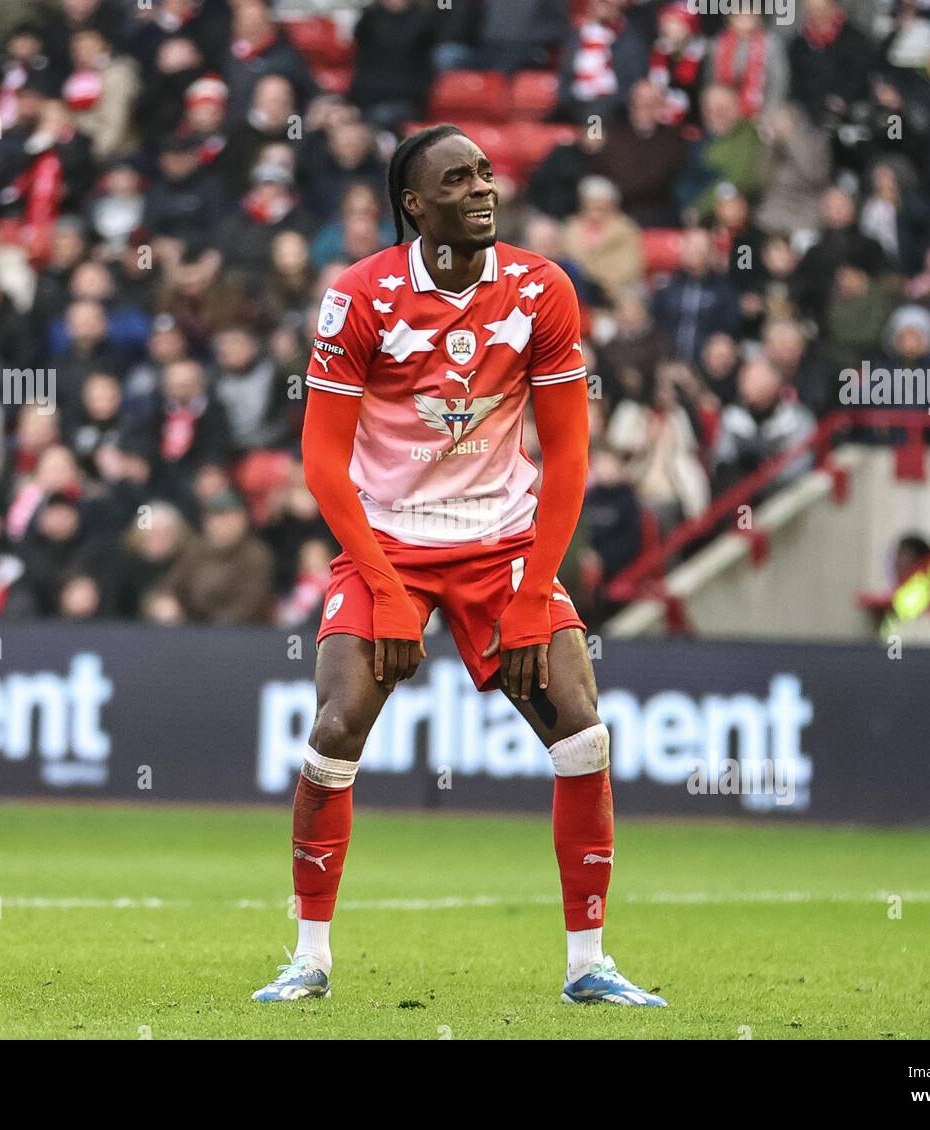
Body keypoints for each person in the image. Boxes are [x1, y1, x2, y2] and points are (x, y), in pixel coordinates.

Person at [252, 126, 665, 1008]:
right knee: (336, 727)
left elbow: (569, 460)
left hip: (503, 542)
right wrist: (391, 595)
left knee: (583, 730)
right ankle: (309, 957)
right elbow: (323, 464)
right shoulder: (359, 298)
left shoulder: (542, 289)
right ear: (415, 203)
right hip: (389, 541)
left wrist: (529, 601)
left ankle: (589, 964)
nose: (483, 188)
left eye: (486, 173)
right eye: (458, 179)